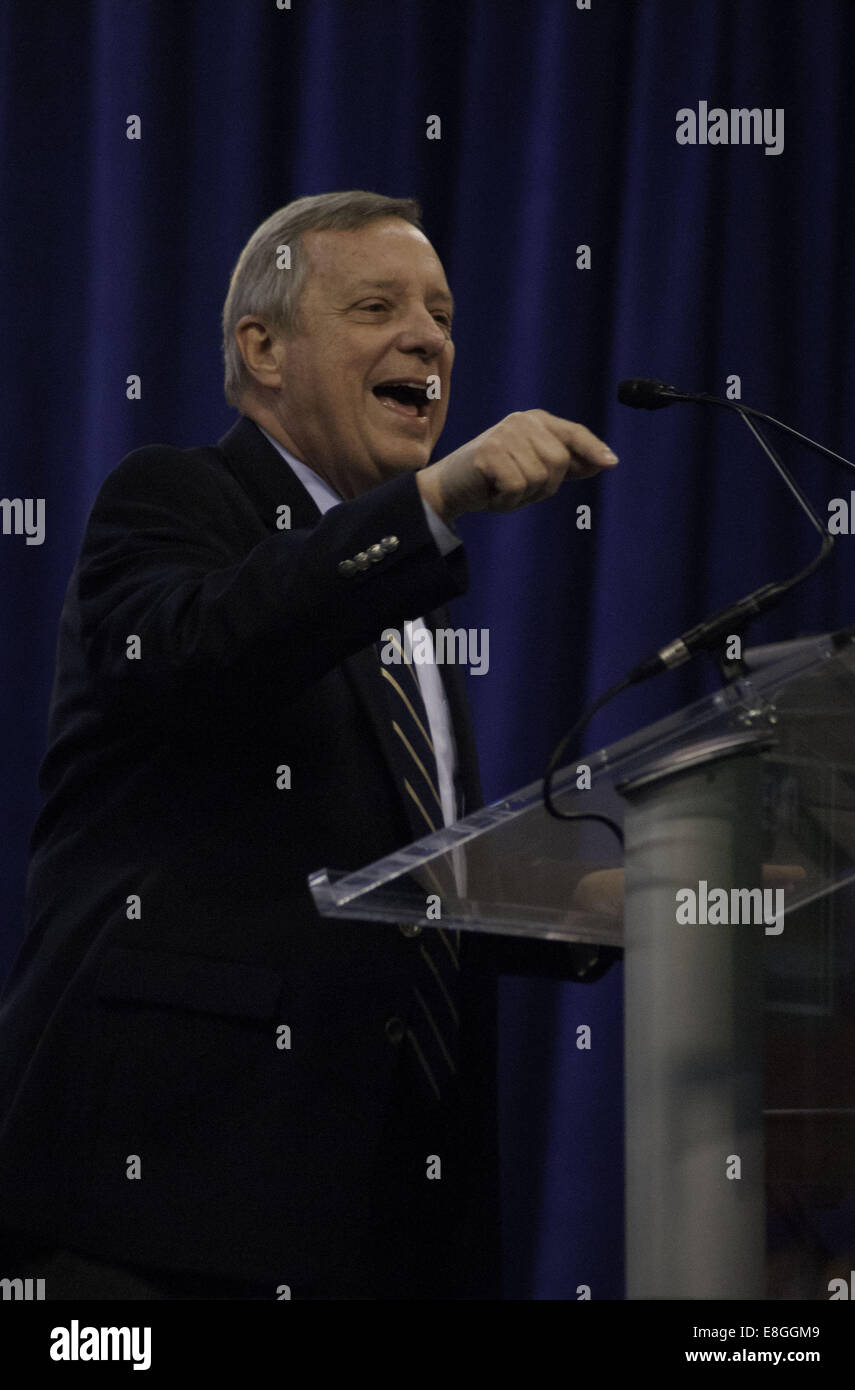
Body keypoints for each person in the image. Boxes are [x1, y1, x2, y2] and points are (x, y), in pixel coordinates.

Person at [0, 190, 618, 1300]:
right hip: (168, 1211)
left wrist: (601, 901)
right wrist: (430, 504)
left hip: (384, 1219)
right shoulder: (175, 499)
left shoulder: (404, 598)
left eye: (440, 313)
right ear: (265, 348)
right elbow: (199, 650)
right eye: (377, 306)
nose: (428, 337)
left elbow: (397, 882)